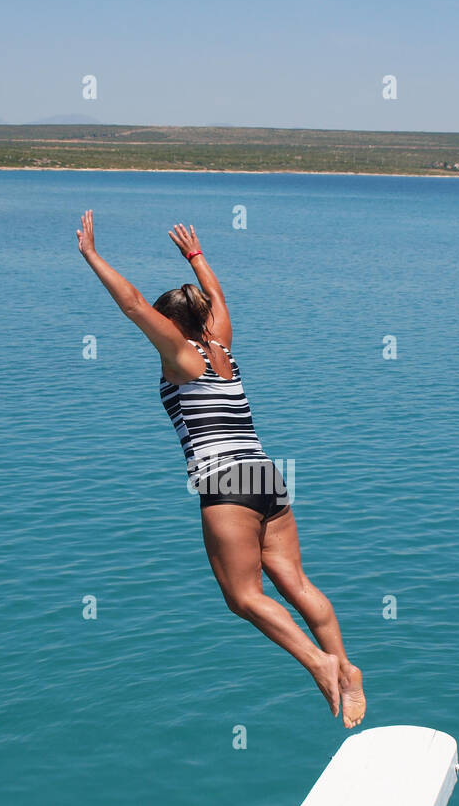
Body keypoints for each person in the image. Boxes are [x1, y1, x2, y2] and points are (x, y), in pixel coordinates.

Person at [76, 210, 366, 728]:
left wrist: (94, 256)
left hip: (225, 482)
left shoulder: (182, 359)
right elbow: (219, 300)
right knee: (296, 583)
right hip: (264, 475)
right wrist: (195, 256)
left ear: (172, 327)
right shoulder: (222, 348)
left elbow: (134, 304)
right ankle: (347, 666)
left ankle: (320, 665)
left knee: (243, 597)